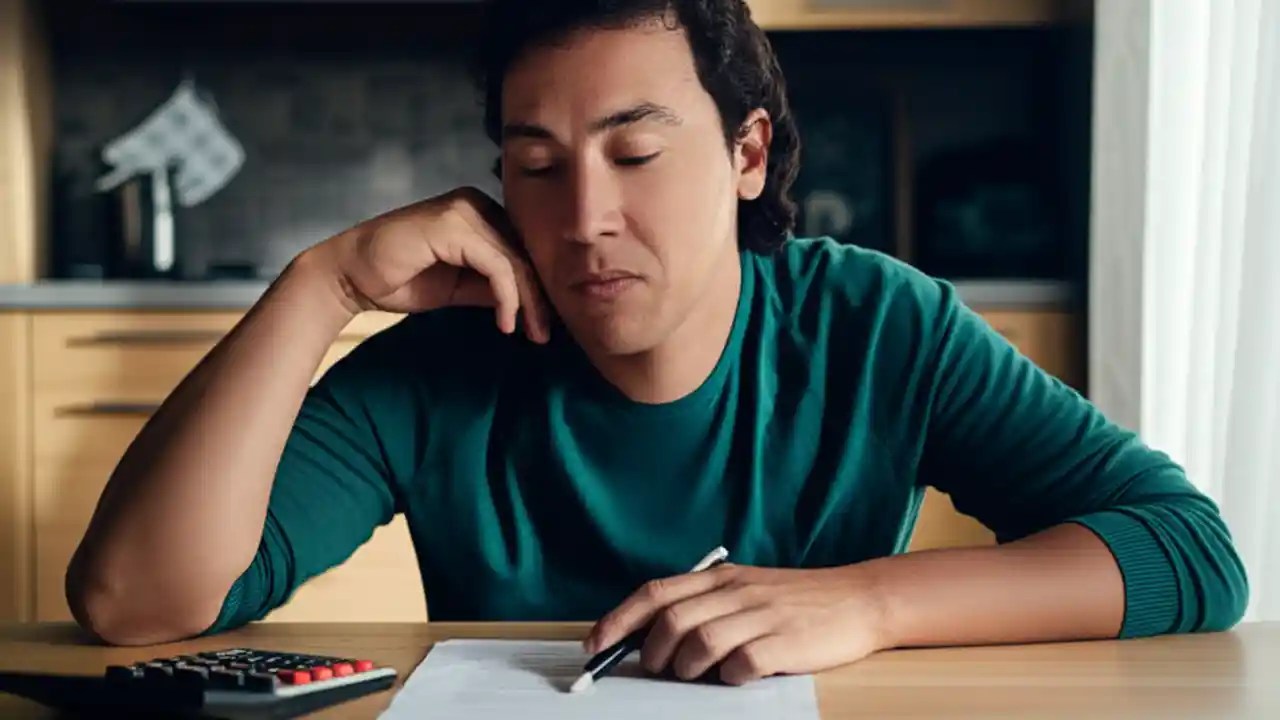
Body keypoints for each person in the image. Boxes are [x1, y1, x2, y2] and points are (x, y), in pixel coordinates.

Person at [66, 0, 1247, 687]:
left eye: (634, 155)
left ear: (745, 156)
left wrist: (866, 603)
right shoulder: (446, 365)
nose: (583, 219)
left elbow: (1188, 554)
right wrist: (316, 288)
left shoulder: (873, 324)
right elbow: (131, 601)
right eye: (535, 166)